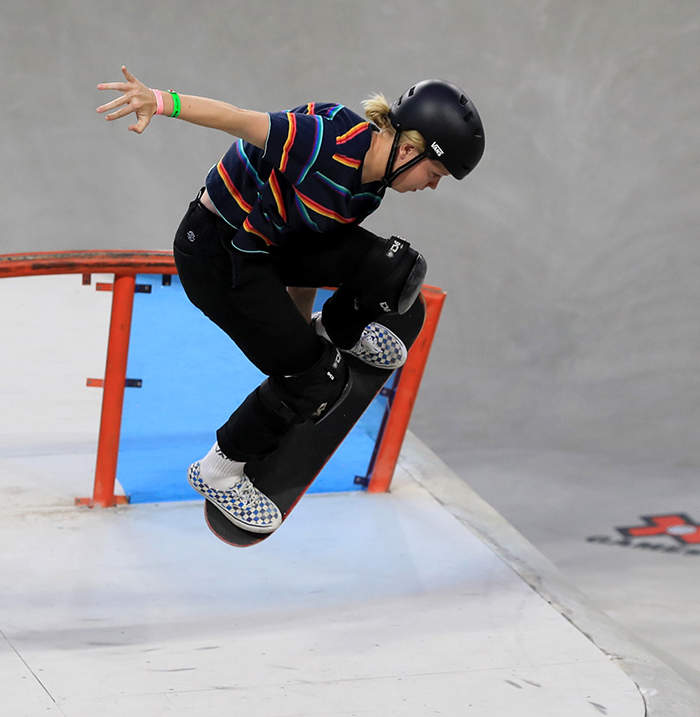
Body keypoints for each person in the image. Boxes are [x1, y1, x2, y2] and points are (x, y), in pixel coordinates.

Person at [96, 66, 484, 534]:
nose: (433, 185)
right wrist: (157, 100)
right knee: (318, 381)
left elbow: (307, 238)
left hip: (267, 250)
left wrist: (306, 334)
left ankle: (335, 331)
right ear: (408, 149)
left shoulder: (372, 184)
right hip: (217, 258)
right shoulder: (322, 141)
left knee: (394, 267)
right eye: (435, 172)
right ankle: (219, 470)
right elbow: (236, 118)